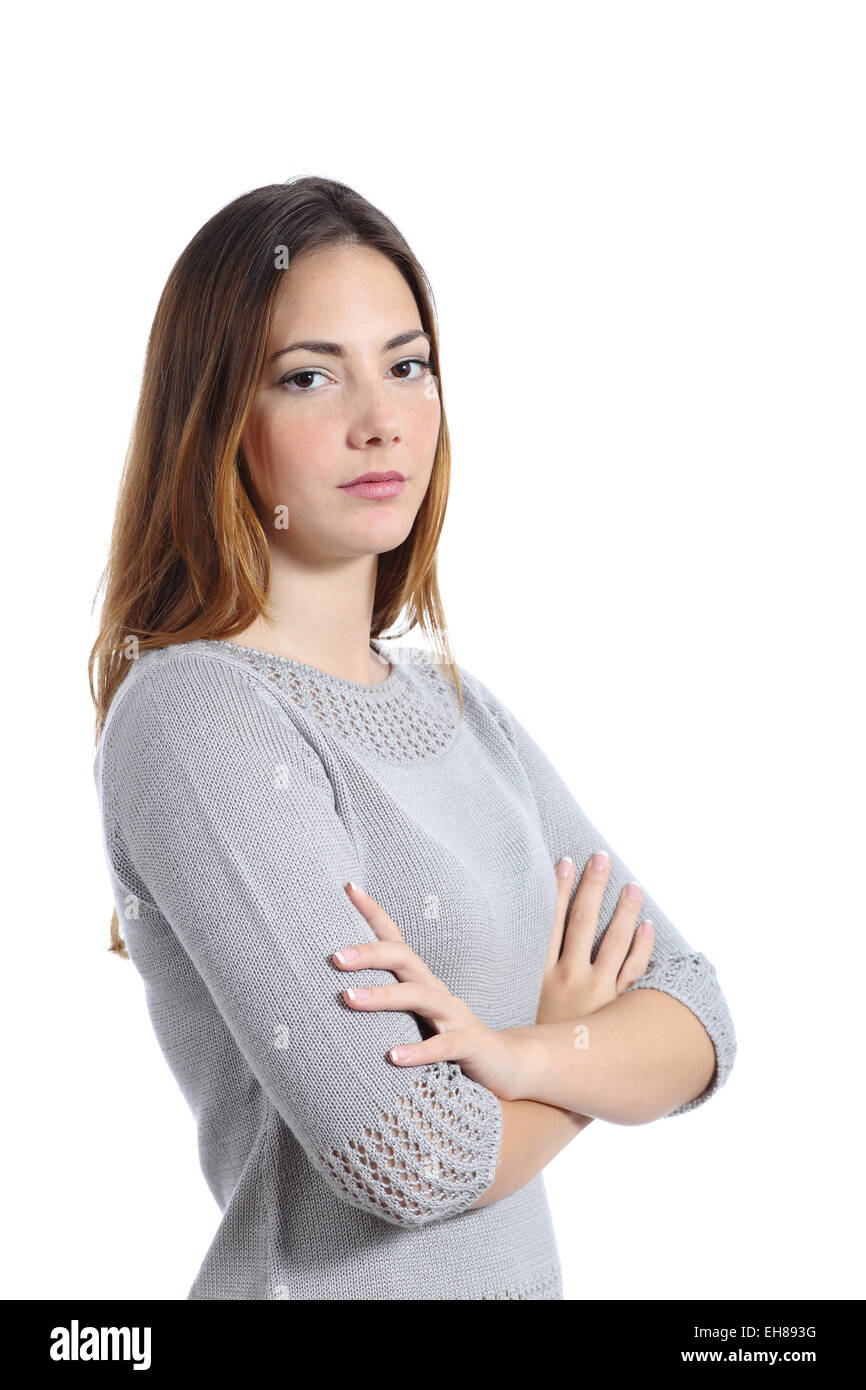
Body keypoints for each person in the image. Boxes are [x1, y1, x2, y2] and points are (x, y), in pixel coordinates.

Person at [89, 175, 737, 1300]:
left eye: (406, 364)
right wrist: (584, 1053)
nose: (379, 417)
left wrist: (521, 1053)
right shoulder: (196, 712)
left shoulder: (459, 709)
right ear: (215, 418)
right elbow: (405, 1156)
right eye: (308, 376)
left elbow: (696, 1019)